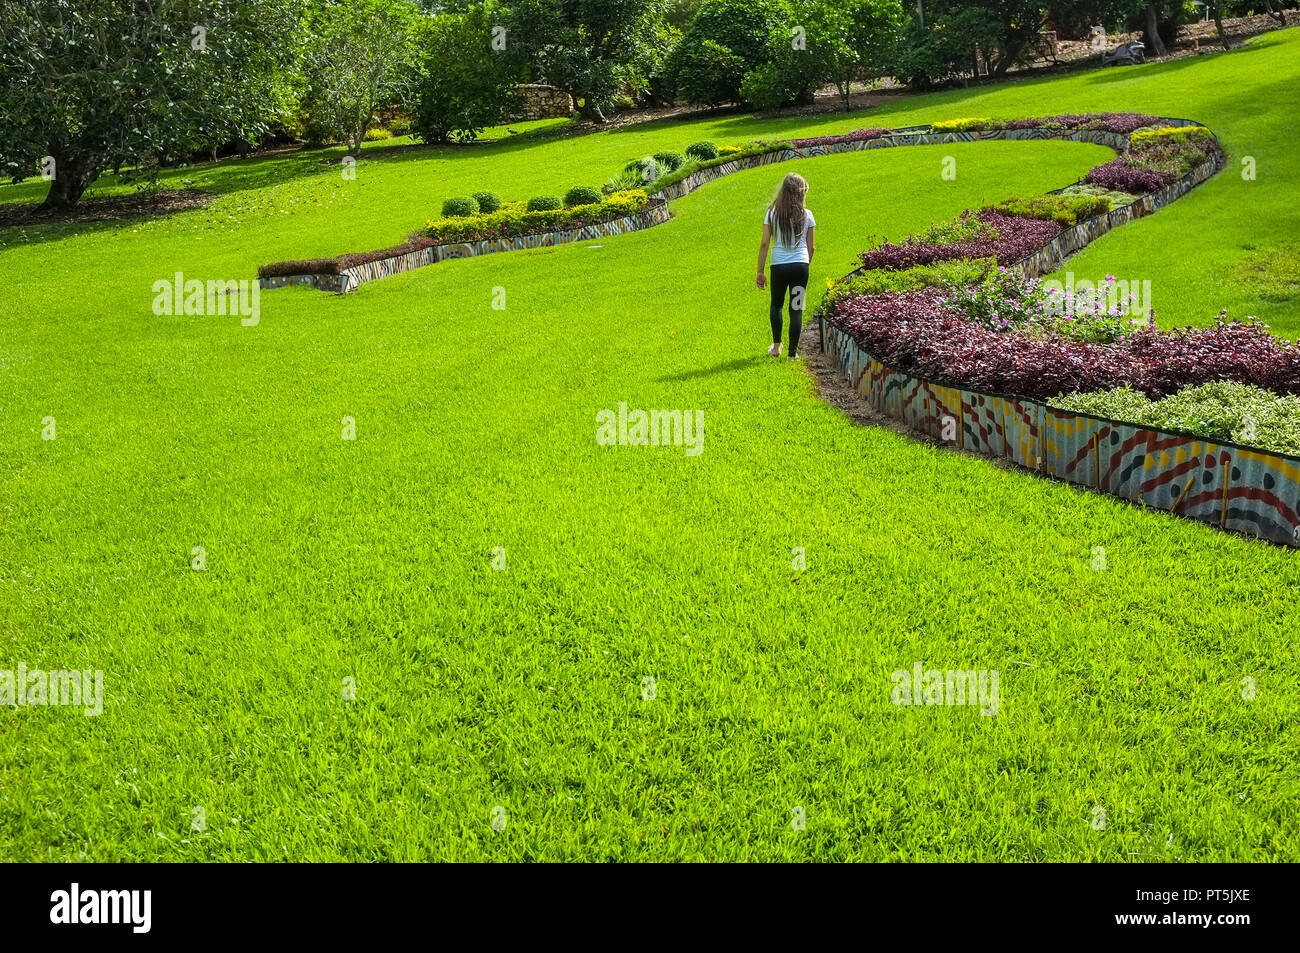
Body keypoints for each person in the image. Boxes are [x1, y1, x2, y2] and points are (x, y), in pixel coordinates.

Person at [755, 173, 815, 359]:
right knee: (796, 308)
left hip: (779, 266)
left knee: (777, 305)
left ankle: (776, 347)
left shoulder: (771, 213)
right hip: (800, 267)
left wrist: (760, 271)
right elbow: (811, 247)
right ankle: (792, 354)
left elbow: (765, 243)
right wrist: (804, 265)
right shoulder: (807, 215)